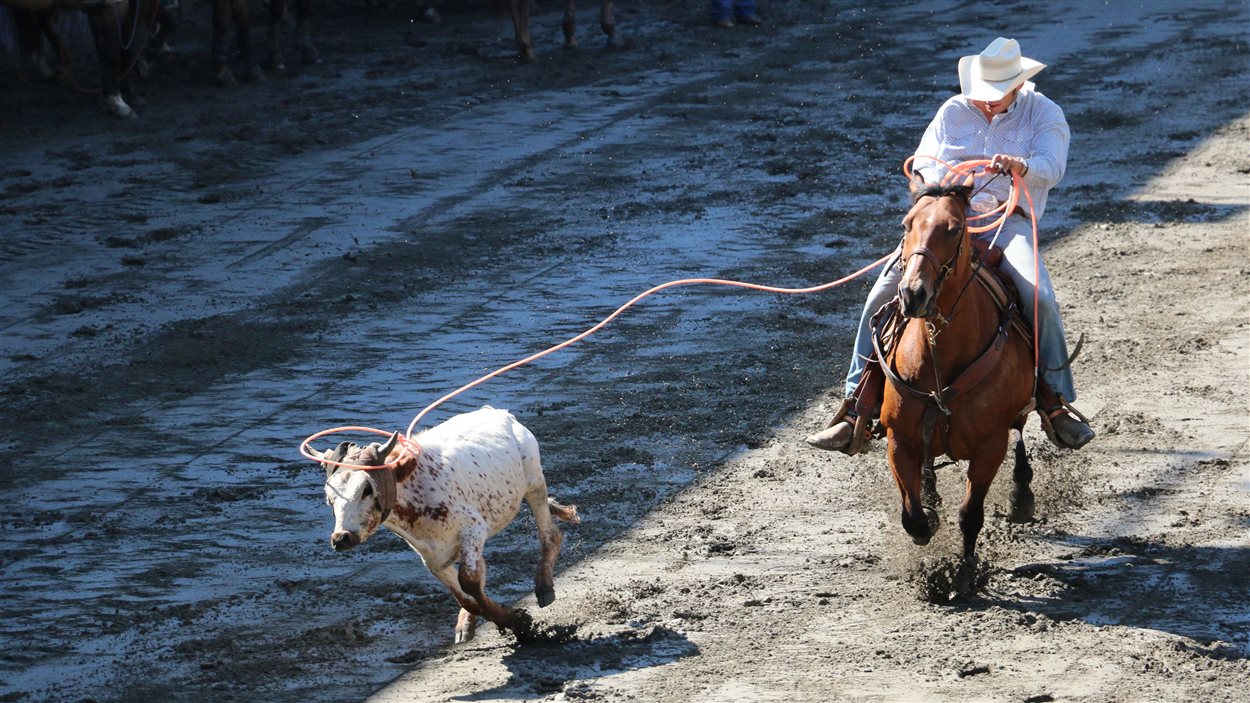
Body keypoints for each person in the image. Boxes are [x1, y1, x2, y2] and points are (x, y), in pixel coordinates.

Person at [806, 37, 1095, 454]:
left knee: (1039, 296)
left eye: (996, 95)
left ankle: (1054, 401)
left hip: (1006, 222)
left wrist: (1021, 166)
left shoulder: (1044, 114)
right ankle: (856, 407)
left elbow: (1052, 167)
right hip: (945, 222)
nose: (986, 102)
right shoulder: (953, 111)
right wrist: (939, 186)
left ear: (1018, 85)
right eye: (982, 95)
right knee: (882, 296)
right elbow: (923, 161)